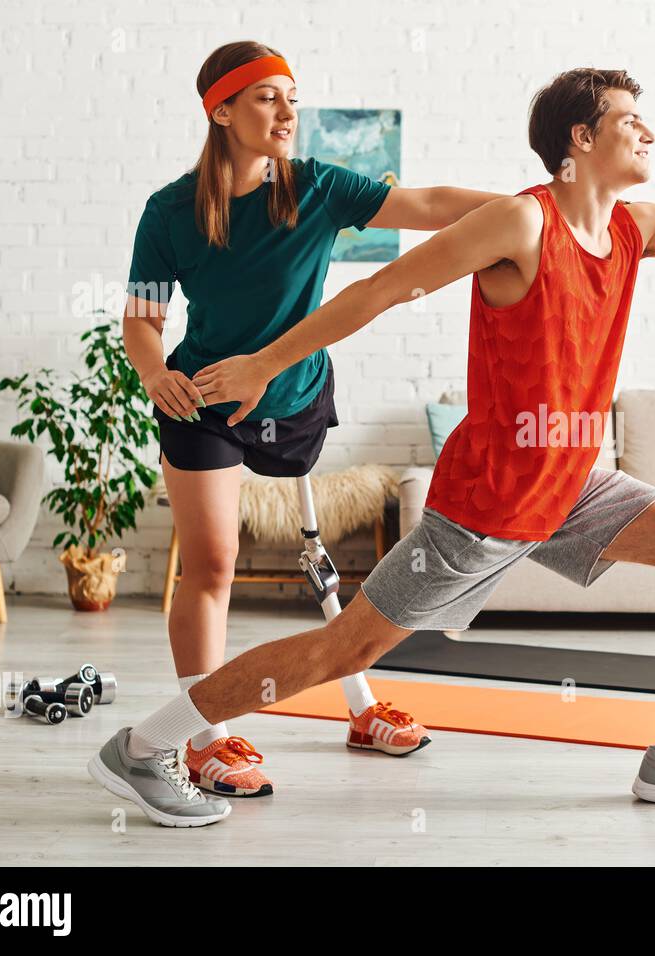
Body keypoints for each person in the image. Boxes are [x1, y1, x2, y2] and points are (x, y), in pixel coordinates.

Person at [94, 67, 655, 826]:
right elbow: (388, 290)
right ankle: (143, 745)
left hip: (575, 482)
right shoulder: (519, 224)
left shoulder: (635, 230)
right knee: (345, 654)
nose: (648, 131)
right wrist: (265, 362)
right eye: (630, 120)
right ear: (579, 139)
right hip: (486, 502)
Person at [124, 41, 505, 800]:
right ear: (221, 110)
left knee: (315, 555)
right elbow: (140, 320)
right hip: (203, 401)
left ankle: (361, 712)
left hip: (295, 397)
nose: (287, 112)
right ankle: (206, 738)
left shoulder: (319, 188)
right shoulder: (169, 211)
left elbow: (427, 205)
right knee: (212, 566)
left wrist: (532, 203)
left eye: (292, 98)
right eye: (267, 97)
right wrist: (155, 371)